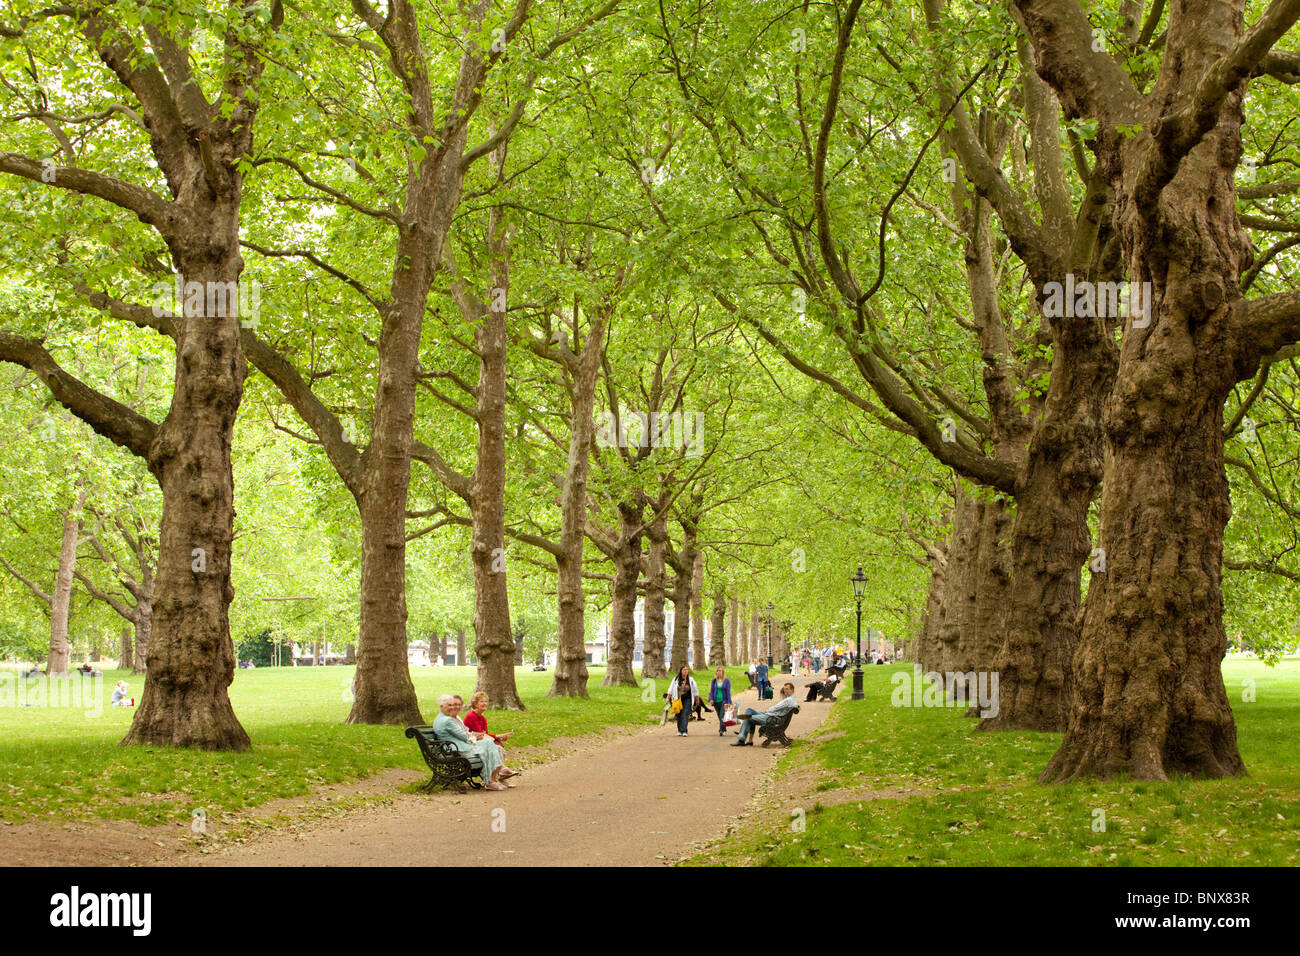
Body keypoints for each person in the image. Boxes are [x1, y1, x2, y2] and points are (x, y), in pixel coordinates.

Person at [432, 694, 507, 791]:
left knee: (490, 744)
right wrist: (474, 736)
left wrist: (473, 736)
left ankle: (493, 779)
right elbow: (464, 736)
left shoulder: (442, 717)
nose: (452, 707)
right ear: (441, 706)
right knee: (489, 745)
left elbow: (464, 735)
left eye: (452, 705)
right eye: (449, 705)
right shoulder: (447, 720)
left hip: (453, 747)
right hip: (456, 749)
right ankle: (492, 780)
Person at [463, 691, 522, 784]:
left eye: (486, 701)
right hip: (473, 744)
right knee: (496, 748)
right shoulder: (471, 716)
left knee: (498, 748)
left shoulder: (482, 718)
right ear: (475, 704)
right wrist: (497, 736)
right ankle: (500, 773)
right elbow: (480, 735)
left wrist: (499, 738)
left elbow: (484, 735)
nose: (485, 703)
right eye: (481, 701)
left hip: (481, 742)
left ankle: (500, 777)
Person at [732, 682, 799, 746]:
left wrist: (766, 711)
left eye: (787, 689)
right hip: (770, 716)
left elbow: (776, 708)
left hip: (771, 719)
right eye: (784, 689)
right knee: (749, 710)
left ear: (792, 689)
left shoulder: (788, 700)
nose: (785, 691)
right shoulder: (791, 700)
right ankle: (747, 737)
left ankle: (741, 739)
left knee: (748, 717)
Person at [667, 665, 698, 737]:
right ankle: (679, 730)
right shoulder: (676, 679)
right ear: (681, 671)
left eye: (687, 670)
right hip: (678, 700)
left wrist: (697, 700)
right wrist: (668, 698)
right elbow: (670, 689)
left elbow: (695, 690)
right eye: (684, 669)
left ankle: (684, 730)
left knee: (685, 714)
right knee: (679, 715)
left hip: (687, 699)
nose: (686, 671)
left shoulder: (691, 680)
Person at [707, 666, 732, 736]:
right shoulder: (714, 681)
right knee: (720, 716)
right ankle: (724, 729)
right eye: (718, 671)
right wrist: (711, 699)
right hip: (716, 701)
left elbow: (728, 692)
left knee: (722, 716)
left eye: (720, 671)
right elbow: (711, 691)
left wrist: (728, 703)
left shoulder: (727, 681)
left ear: (723, 672)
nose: (719, 672)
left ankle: (721, 730)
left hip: (724, 701)